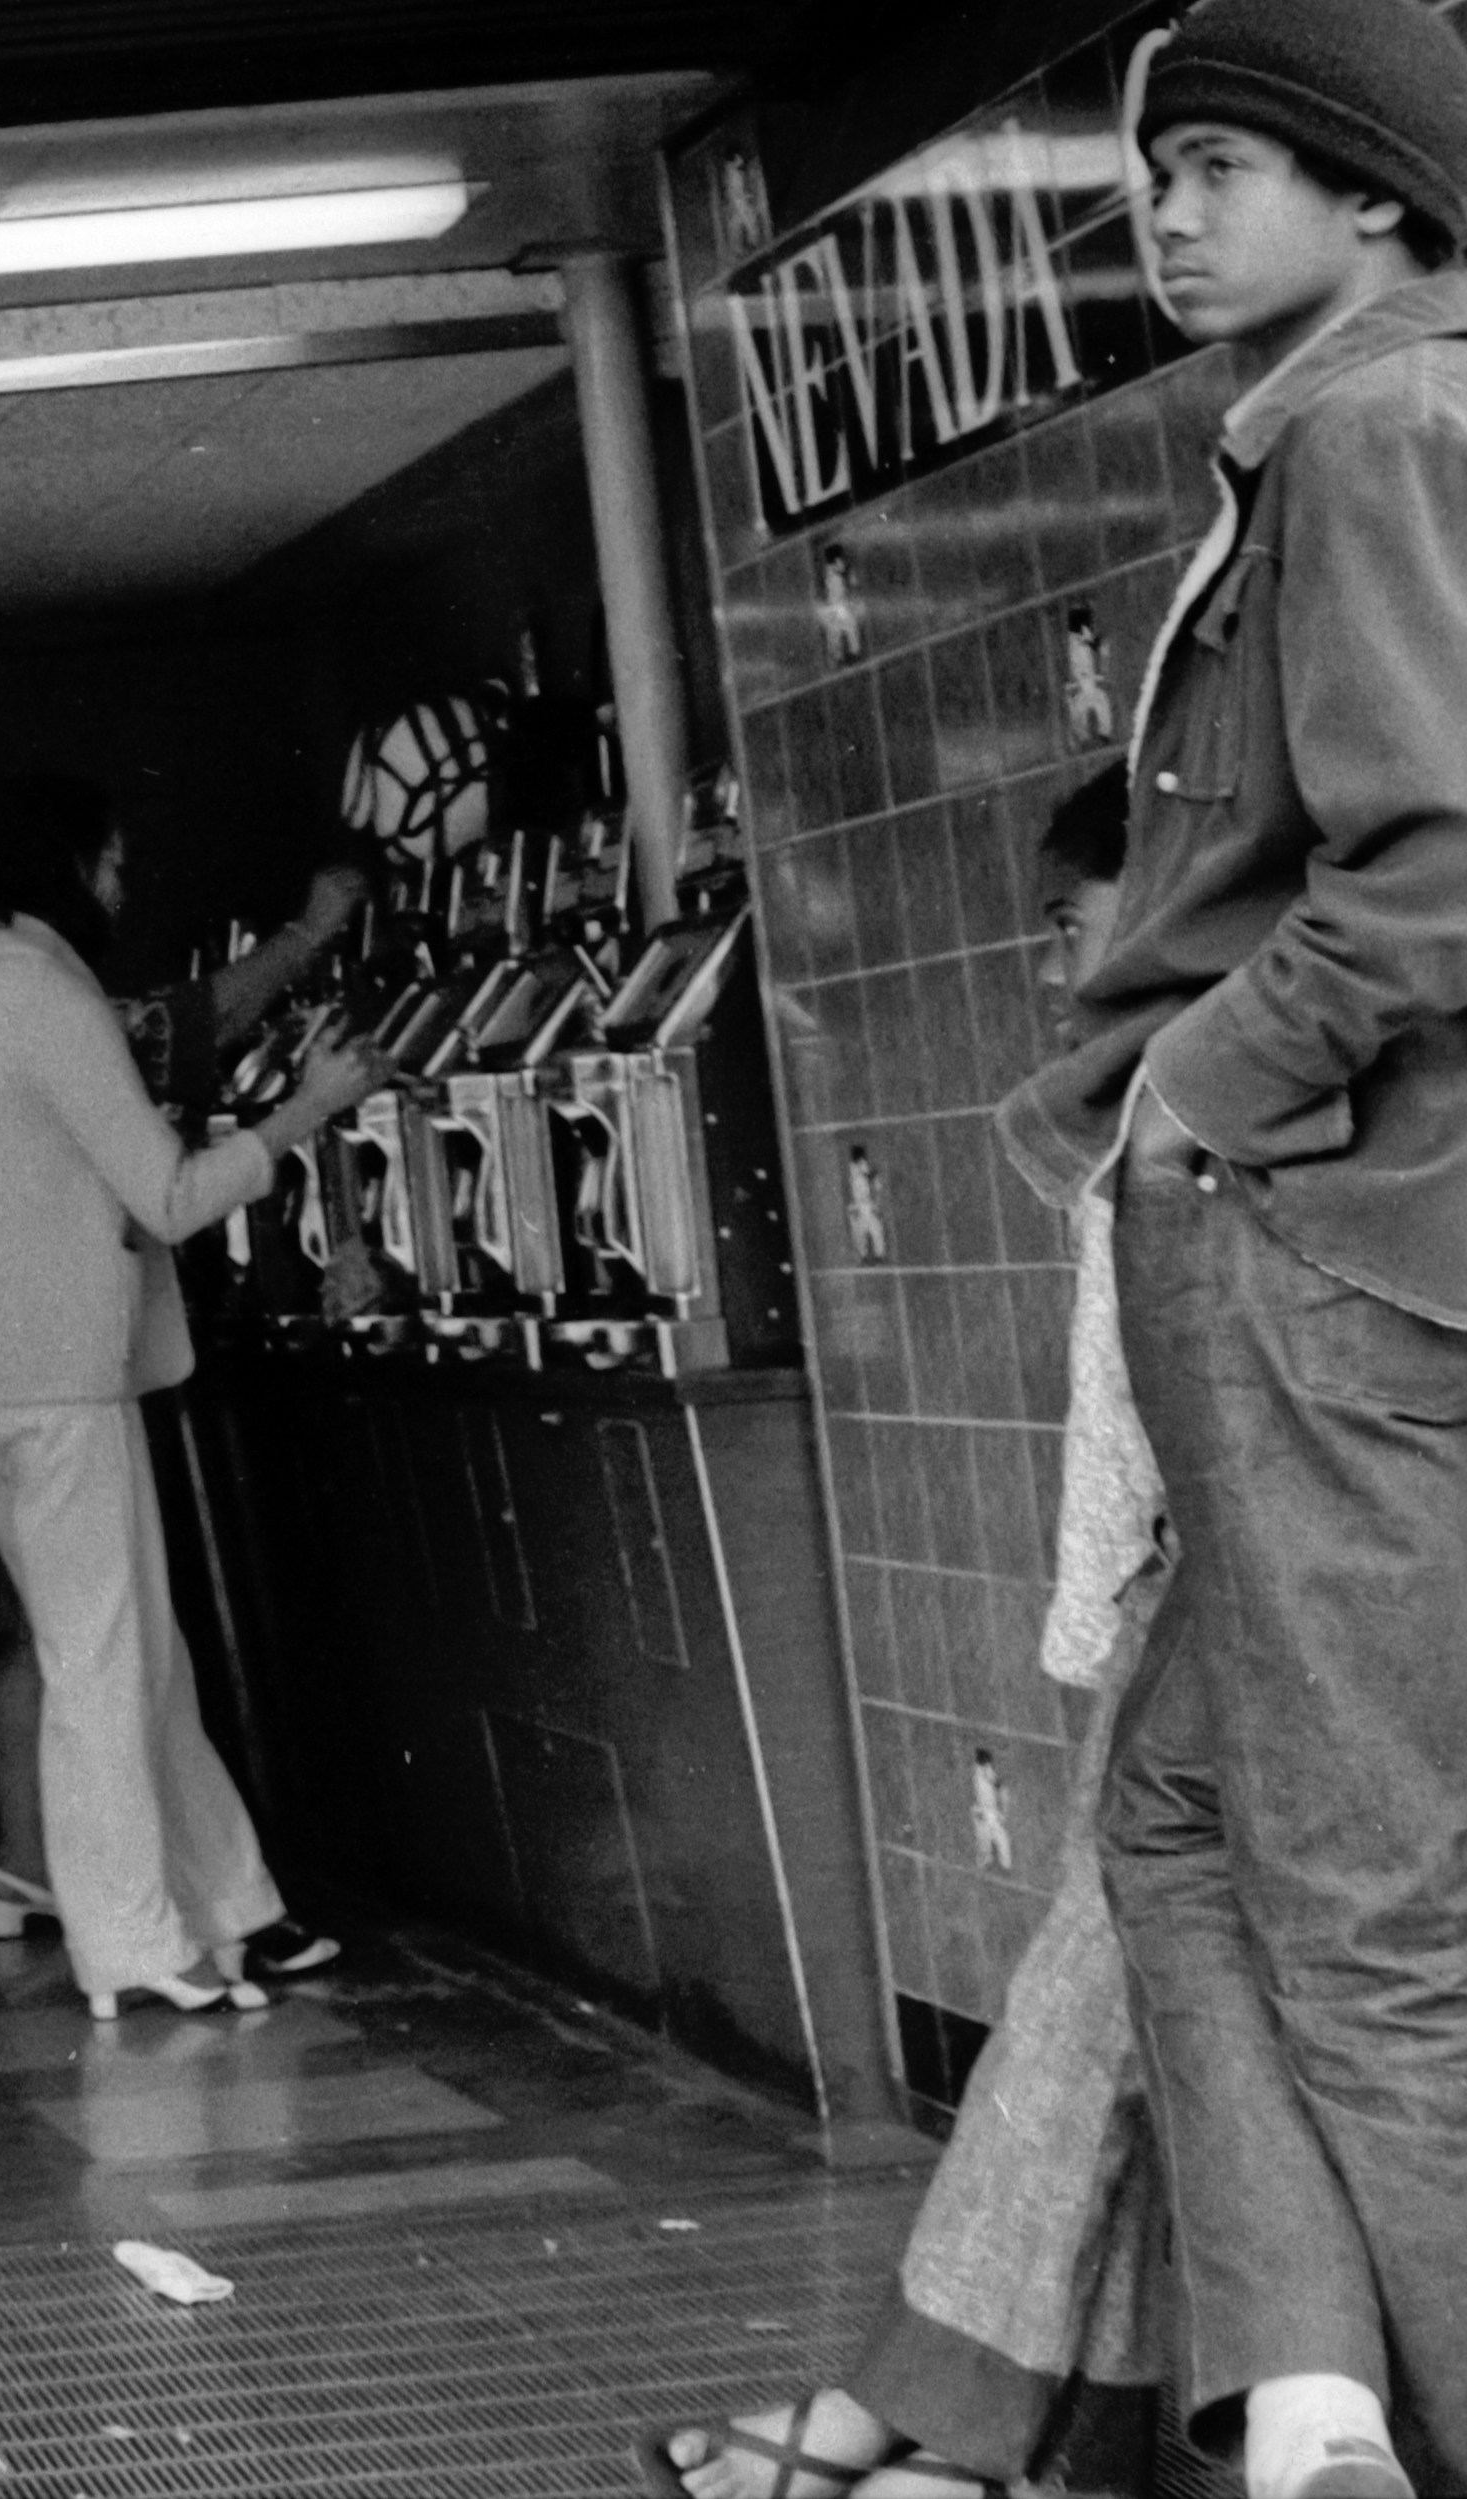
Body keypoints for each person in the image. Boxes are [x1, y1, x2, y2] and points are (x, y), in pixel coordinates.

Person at [992, 0, 1467, 2499]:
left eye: (1223, 167)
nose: (1162, 211)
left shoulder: (1382, 419)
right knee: (1176, 1824)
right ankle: (1311, 2414)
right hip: (1351, 1236)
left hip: (1324, 1239)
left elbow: (1441, 867)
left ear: (1373, 190)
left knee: (1374, 1926)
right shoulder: (1340, 429)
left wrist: (1193, 1096)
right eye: (1151, 167)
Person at [652, 771, 1166, 2499]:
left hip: (1213, 1635)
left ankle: (920, 2425)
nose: (1040, 956)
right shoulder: (1139, 1102)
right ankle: (998, 2436)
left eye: (1063, 914)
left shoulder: (1187, 1107)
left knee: (1084, 2018)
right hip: (1195, 1626)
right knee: (1134, 2039)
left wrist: (1105, 1638)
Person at [0, 777, 381, 2021]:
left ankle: (233, 1904)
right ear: (66, 865)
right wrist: (309, 1111)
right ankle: (129, 1942)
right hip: (50, 1374)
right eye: (110, 864)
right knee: (103, 1656)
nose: (119, 888)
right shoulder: (43, 998)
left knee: (126, 1645)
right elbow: (168, 1196)